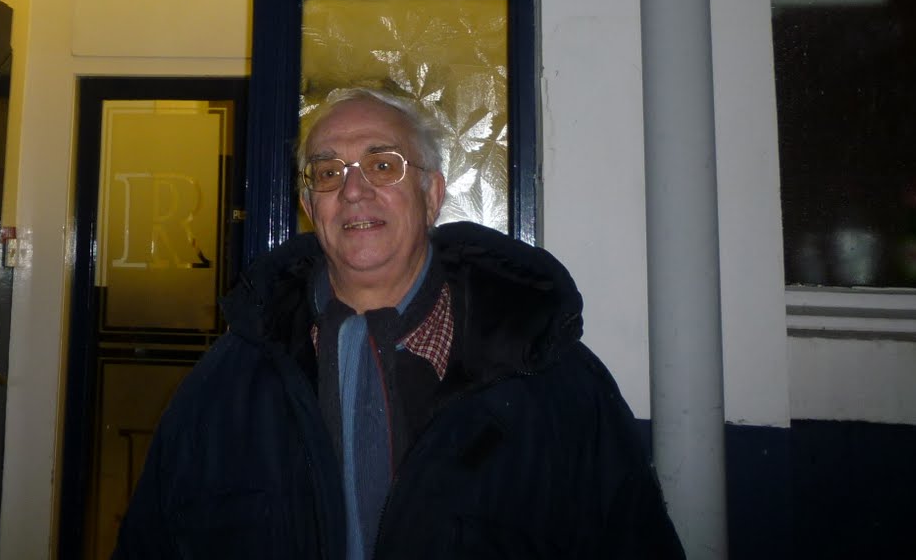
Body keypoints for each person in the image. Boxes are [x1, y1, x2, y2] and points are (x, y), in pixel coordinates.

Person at [112, 86, 686, 560]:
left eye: (383, 165)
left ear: (431, 193)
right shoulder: (228, 382)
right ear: (312, 209)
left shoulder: (547, 376)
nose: (354, 190)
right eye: (329, 172)